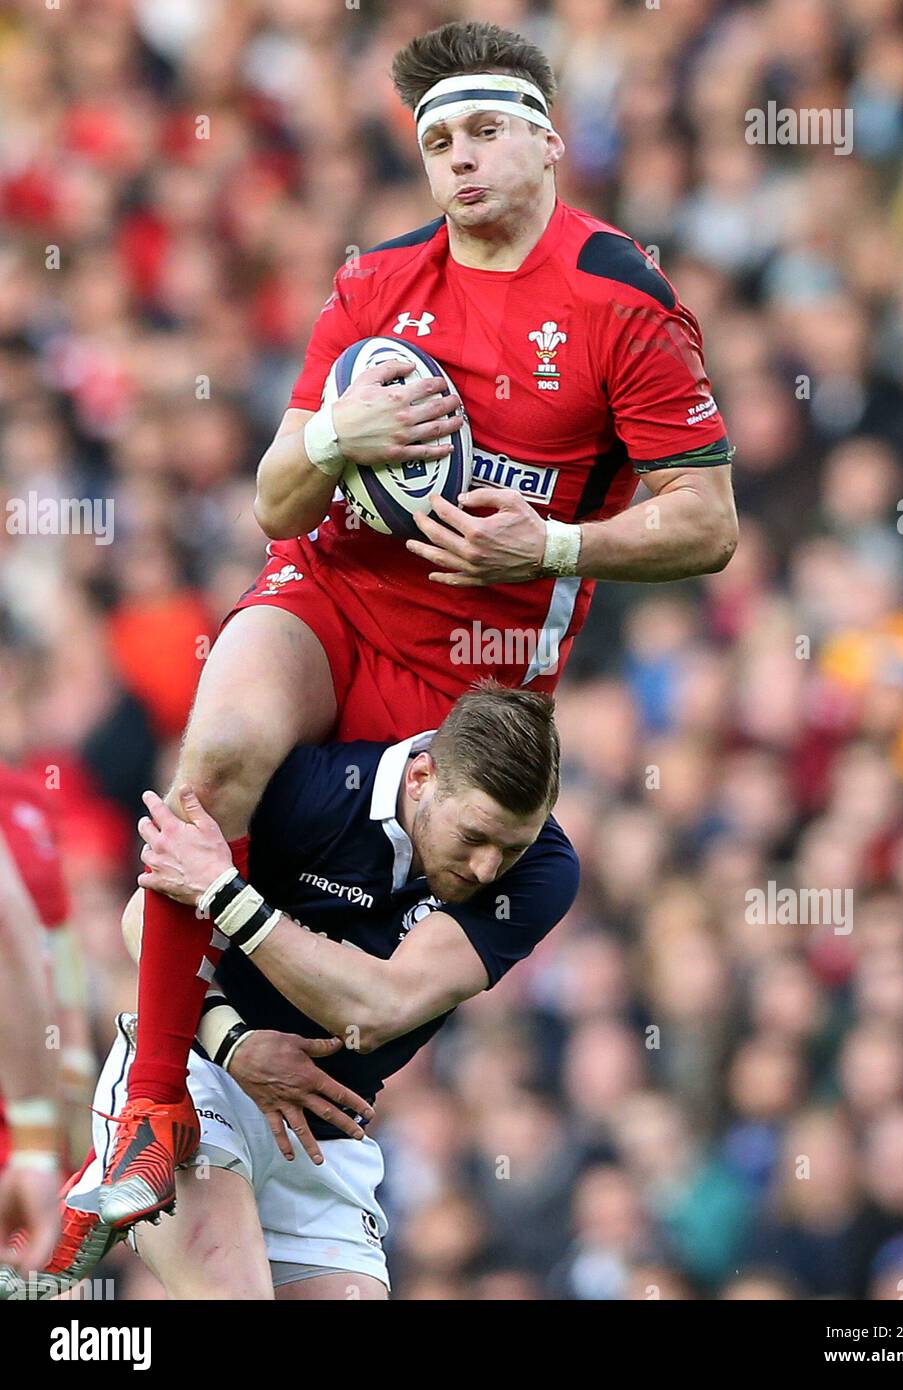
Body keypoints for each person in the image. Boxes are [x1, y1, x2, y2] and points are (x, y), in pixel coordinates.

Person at [101, 18, 736, 1231]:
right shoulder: (376, 283)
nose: (460, 157)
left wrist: (547, 545)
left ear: (549, 142)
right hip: (331, 595)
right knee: (218, 766)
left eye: (487, 129)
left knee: (375, 961)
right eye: (438, 138)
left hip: (480, 669)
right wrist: (338, 439)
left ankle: (293, 1145)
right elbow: (273, 500)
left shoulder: (625, 301)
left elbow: (705, 522)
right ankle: (151, 1105)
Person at [33, 683, 578, 1299]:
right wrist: (233, 1043)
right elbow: (143, 922)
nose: (487, 869)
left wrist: (228, 897)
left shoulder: (545, 870)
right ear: (422, 776)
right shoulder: (309, 788)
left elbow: (379, 1007)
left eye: (511, 847)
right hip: (200, 1078)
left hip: (323, 1137)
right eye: (475, 836)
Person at [0, 764, 92, 1277]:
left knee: (42, 1267)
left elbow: (59, 933)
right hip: (22, 1094)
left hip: (24, 1067)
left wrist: (74, 1061)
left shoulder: (26, 796)